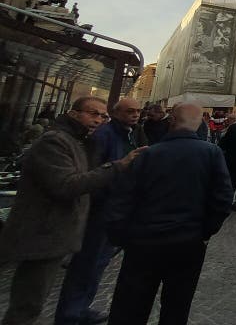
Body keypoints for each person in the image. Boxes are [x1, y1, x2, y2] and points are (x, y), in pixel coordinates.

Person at [0, 97, 141, 325]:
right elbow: (67, 184)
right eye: (93, 114)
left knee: (42, 292)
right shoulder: (56, 141)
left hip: (61, 228)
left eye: (102, 116)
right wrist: (118, 166)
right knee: (29, 301)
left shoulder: (79, 139)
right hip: (45, 231)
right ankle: (70, 314)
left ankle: (76, 311)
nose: (98, 120)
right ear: (74, 113)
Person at [105, 102, 233, 325]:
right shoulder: (211, 153)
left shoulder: (147, 154)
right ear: (199, 124)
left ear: (171, 121)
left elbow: (122, 198)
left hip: (143, 242)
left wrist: (122, 237)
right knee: (177, 306)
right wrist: (204, 232)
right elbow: (222, 199)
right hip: (188, 242)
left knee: (130, 306)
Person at [54, 98, 146, 325]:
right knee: (87, 264)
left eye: (138, 111)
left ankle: (81, 308)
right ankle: (70, 314)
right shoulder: (103, 136)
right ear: (116, 113)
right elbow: (92, 173)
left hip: (115, 207)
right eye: (130, 111)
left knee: (97, 264)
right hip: (101, 209)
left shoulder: (130, 132)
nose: (135, 115)